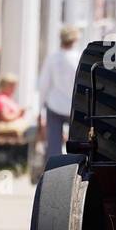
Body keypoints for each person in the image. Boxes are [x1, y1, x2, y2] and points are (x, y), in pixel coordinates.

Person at [37, 26, 83, 158]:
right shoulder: (78, 58)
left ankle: (53, 171)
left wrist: (39, 108)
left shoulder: (53, 58)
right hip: (75, 106)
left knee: (53, 144)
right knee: (77, 141)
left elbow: (44, 84)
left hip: (55, 106)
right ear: (75, 40)